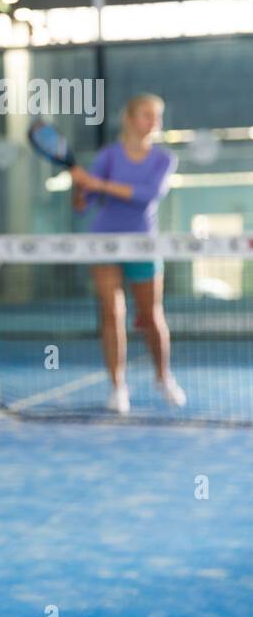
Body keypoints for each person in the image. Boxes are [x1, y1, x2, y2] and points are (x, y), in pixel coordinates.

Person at [71, 92, 185, 414]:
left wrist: (96, 183)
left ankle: (163, 378)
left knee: (150, 317)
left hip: (144, 244)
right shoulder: (108, 156)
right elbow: (82, 207)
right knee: (112, 313)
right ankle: (117, 386)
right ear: (129, 119)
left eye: (157, 117)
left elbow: (147, 196)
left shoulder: (164, 159)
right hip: (103, 242)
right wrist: (80, 186)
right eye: (147, 114)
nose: (153, 122)